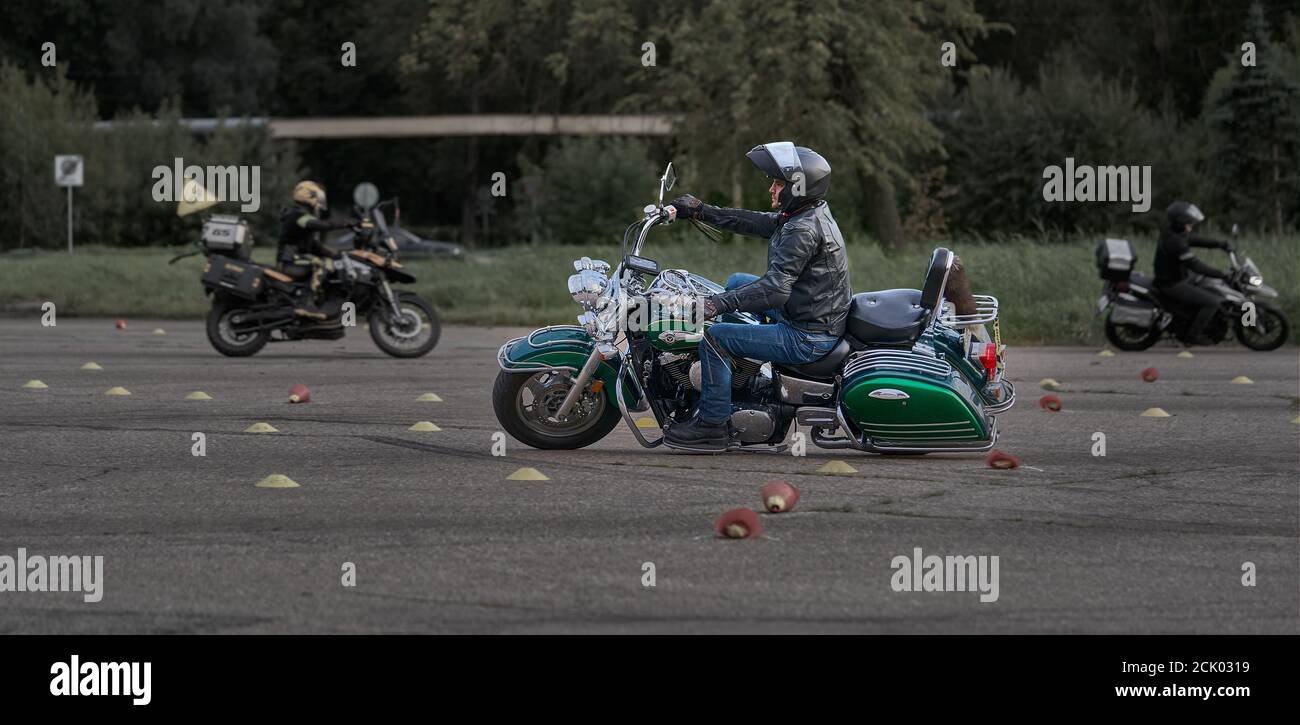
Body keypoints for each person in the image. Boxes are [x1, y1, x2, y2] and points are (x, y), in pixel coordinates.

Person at [665, 141, 850, 451]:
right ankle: (734, 378)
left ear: (798, 187)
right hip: (811, 312)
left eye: (779, 183)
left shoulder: (802, 229)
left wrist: (717, 304)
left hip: (808, 334)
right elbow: (755, 221)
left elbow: (776, 289)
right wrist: (702, 210)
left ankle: (712, 423)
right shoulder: (805, 213)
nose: (772, 190)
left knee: (716, 337)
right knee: (738, 281)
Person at [1153, 201, 1232, 344]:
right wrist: (1222, 274)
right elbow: (1197, 266)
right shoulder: (1175, 242)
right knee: (1213, 302)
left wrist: (1220, 244)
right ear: (1180, 222)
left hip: (1178, 276)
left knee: (1208, 285)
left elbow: (1195, 240)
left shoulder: (1173, 231)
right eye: (1189, 222)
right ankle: (1191, 337)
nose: (1192, 225)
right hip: (1171, 283)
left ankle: (1191, 320)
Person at [278, 180, 351, 319]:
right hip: (291, 259)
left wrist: (335, 254)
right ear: (307, 197)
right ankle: (306, 304)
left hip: (297, 258)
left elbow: (314, 246)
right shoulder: (297, 215)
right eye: (318, 198)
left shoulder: (302, 217)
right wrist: (346, 223)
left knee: (330, 262)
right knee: (321, 264)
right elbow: (322, 225)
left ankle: (321, 302)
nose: (320, 203)